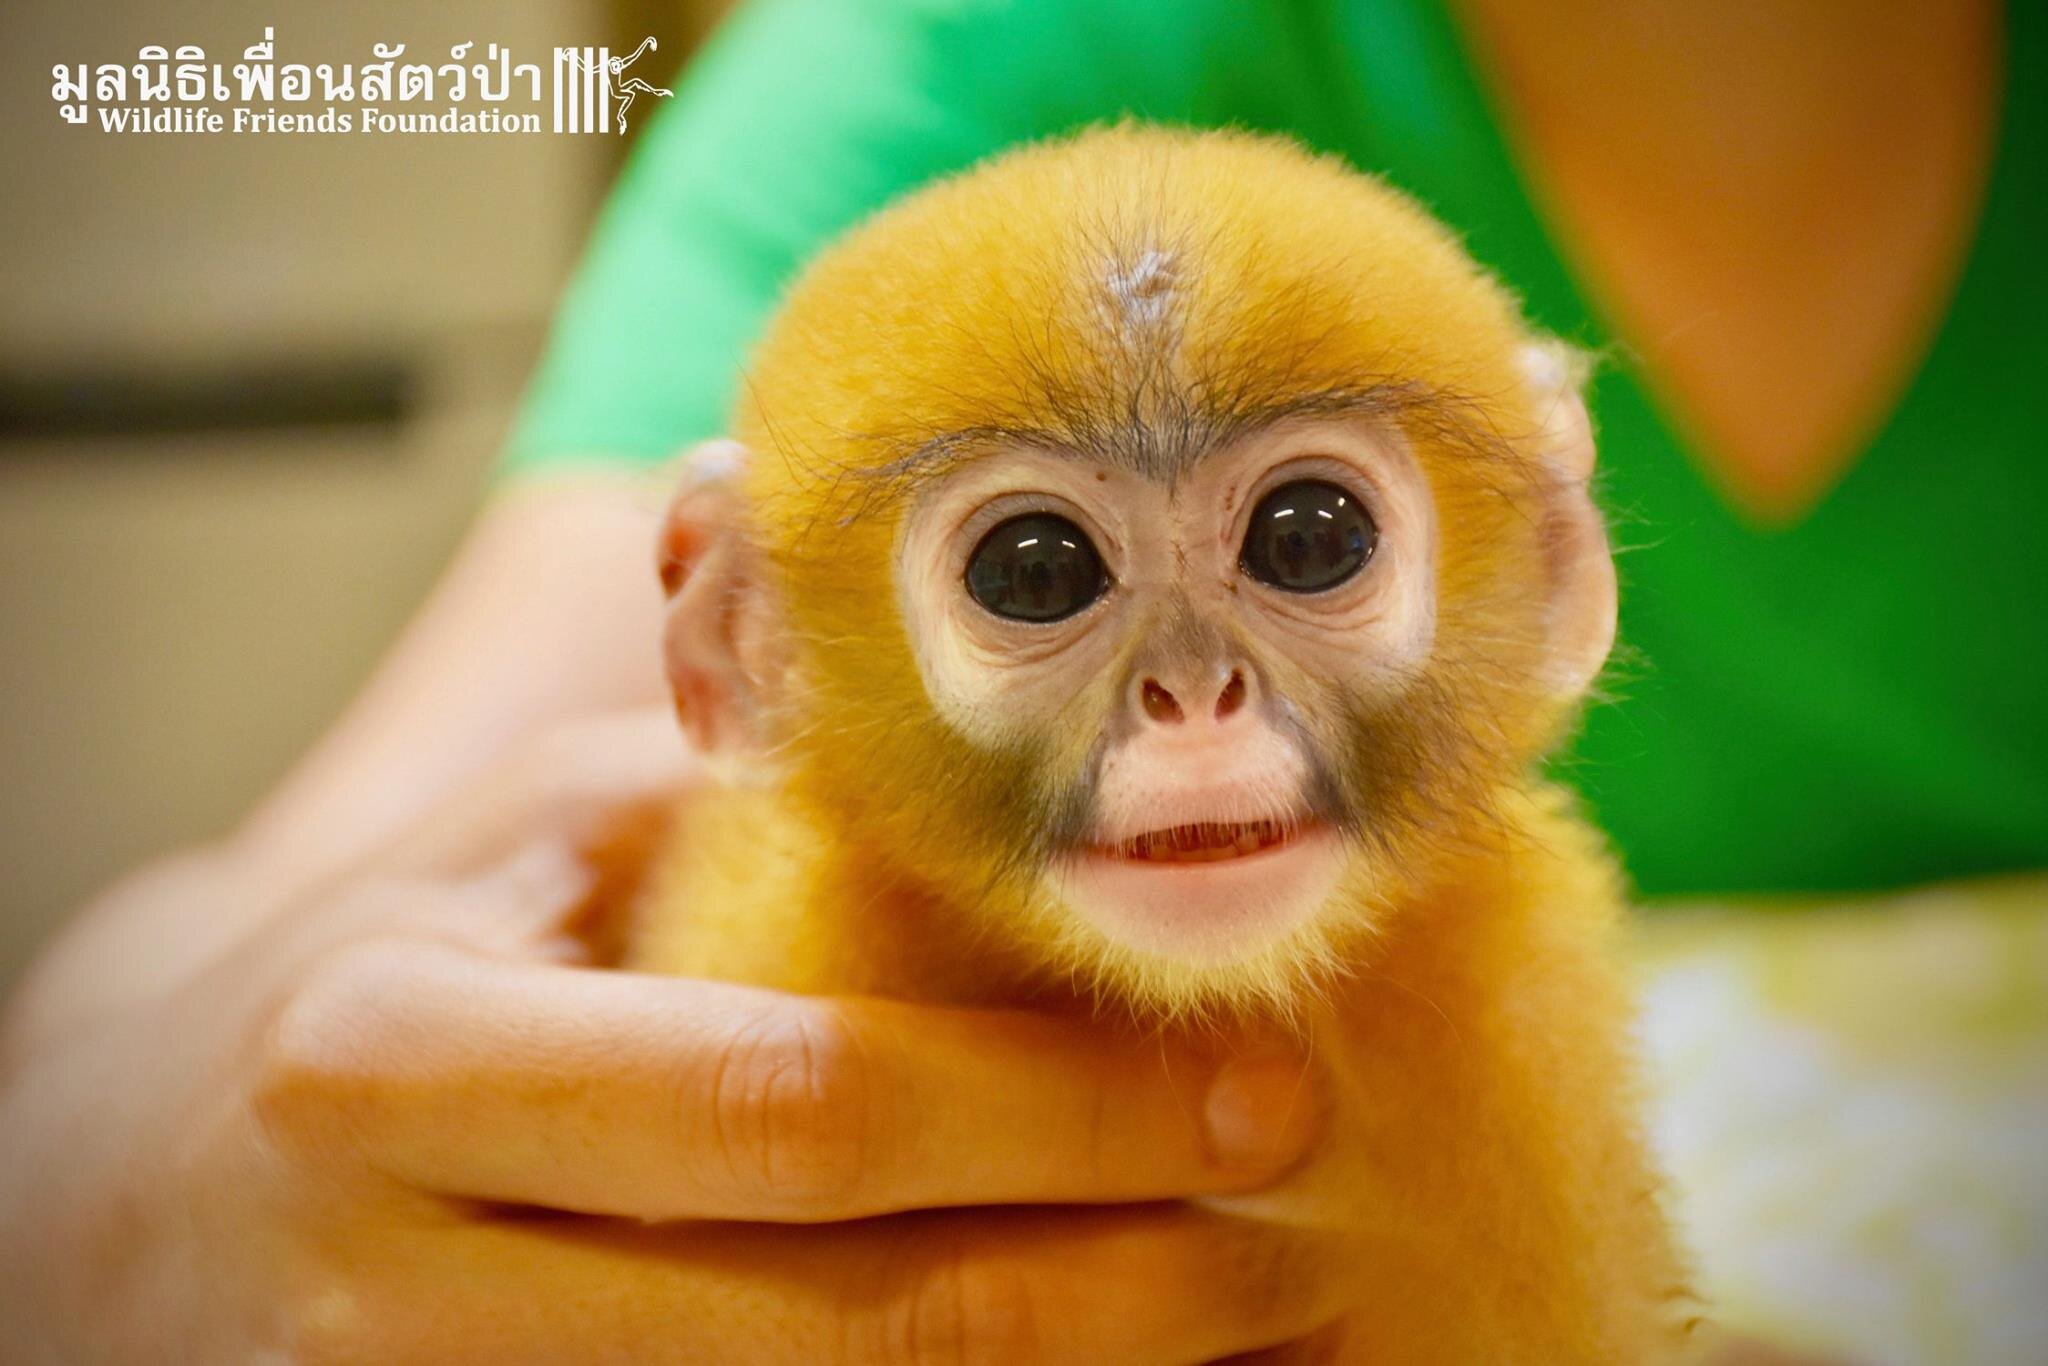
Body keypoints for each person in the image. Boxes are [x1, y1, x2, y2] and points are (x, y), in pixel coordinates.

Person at [2, 0, 2038, 1357]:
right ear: (739, 648)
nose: (1191, 699)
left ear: (1555, 564)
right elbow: (216, 987)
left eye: (1307, 538)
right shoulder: (943, 55)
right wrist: (107, 1181)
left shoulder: (1492, 962)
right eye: (1039, 563)